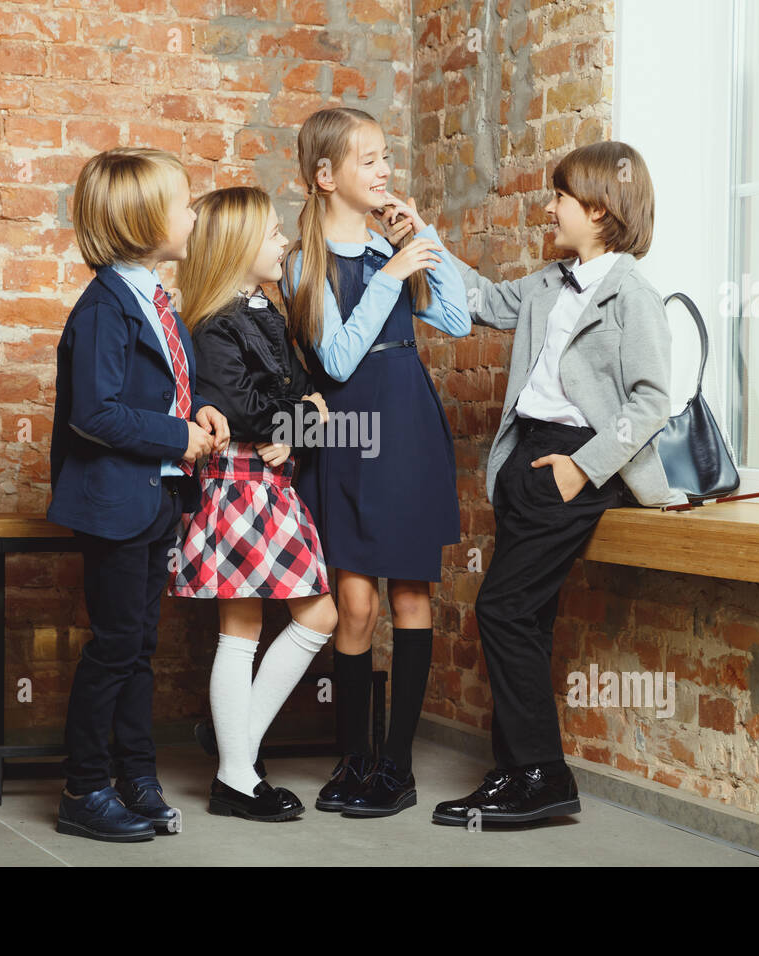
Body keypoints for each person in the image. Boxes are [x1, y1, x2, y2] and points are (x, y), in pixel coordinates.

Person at [390, 140, 688, 827]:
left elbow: (649, 403)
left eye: (560, 197)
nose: (549, 206)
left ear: (599, 208)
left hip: (577, 466)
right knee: (526, 617)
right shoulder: (551, 281)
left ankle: (540, 775)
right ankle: (516, 774)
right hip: (528, 463)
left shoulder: (633, 295)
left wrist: (580, 468)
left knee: (500, 611)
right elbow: (487, 301)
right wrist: (421, 235)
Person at [280, 107, 471, 817]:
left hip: (408, 426)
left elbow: (453, 318)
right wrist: (390, 272)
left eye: (386, 157)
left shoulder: (396, 252)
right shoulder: (304, 261)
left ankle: (397, 767)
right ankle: (352, 758)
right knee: (353, 602)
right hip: (348, 429)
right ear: (326, 176)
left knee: (411, 596)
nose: (385, 170)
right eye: (369, 159)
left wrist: (425, 242)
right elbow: (334, 358)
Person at [48, 147, 230, 842]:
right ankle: (84, 788)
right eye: (184, 204)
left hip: (156, 500)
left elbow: (164, 389)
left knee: (139, 648)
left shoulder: (154, 298)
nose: (192, 214)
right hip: (115, 504)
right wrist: (175, 437)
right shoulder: (103, 308)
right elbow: (92, 414)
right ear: (144, 218)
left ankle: (137, 777)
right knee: (115, 647)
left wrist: (202, 413)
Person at [169, 186, 339, 822]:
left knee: (313, 615)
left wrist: (300, 420)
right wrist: (299, 418)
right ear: (238, 247)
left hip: (271, 484)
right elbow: (242, 409)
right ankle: (237, 775)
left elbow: (306, 404)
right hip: (237, 483)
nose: (284, 242)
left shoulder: (269, 312)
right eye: (271, 233)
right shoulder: (216, 323)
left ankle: (232, 747)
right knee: (241, 628)